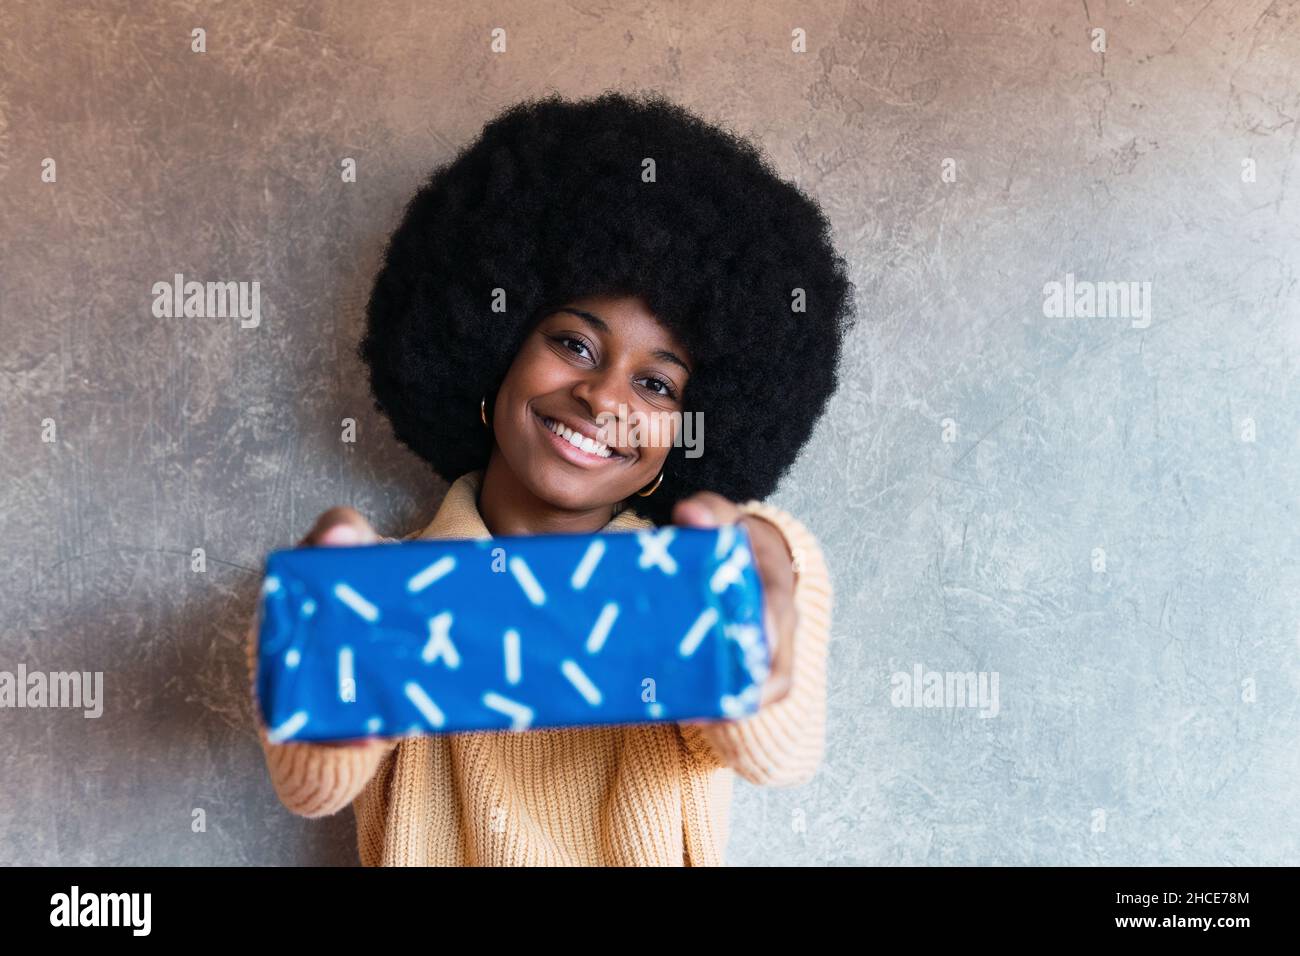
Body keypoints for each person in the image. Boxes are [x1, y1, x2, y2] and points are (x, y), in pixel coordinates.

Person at [245, 89, 856, 865]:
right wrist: (331, 663)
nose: (604, 397)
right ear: (493, 348)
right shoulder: (376, 589)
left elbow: (776, 749)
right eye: (573, 344)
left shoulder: (692, 591)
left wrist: (763, 556)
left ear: (685, 439)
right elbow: (312, 786)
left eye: (657, 385)